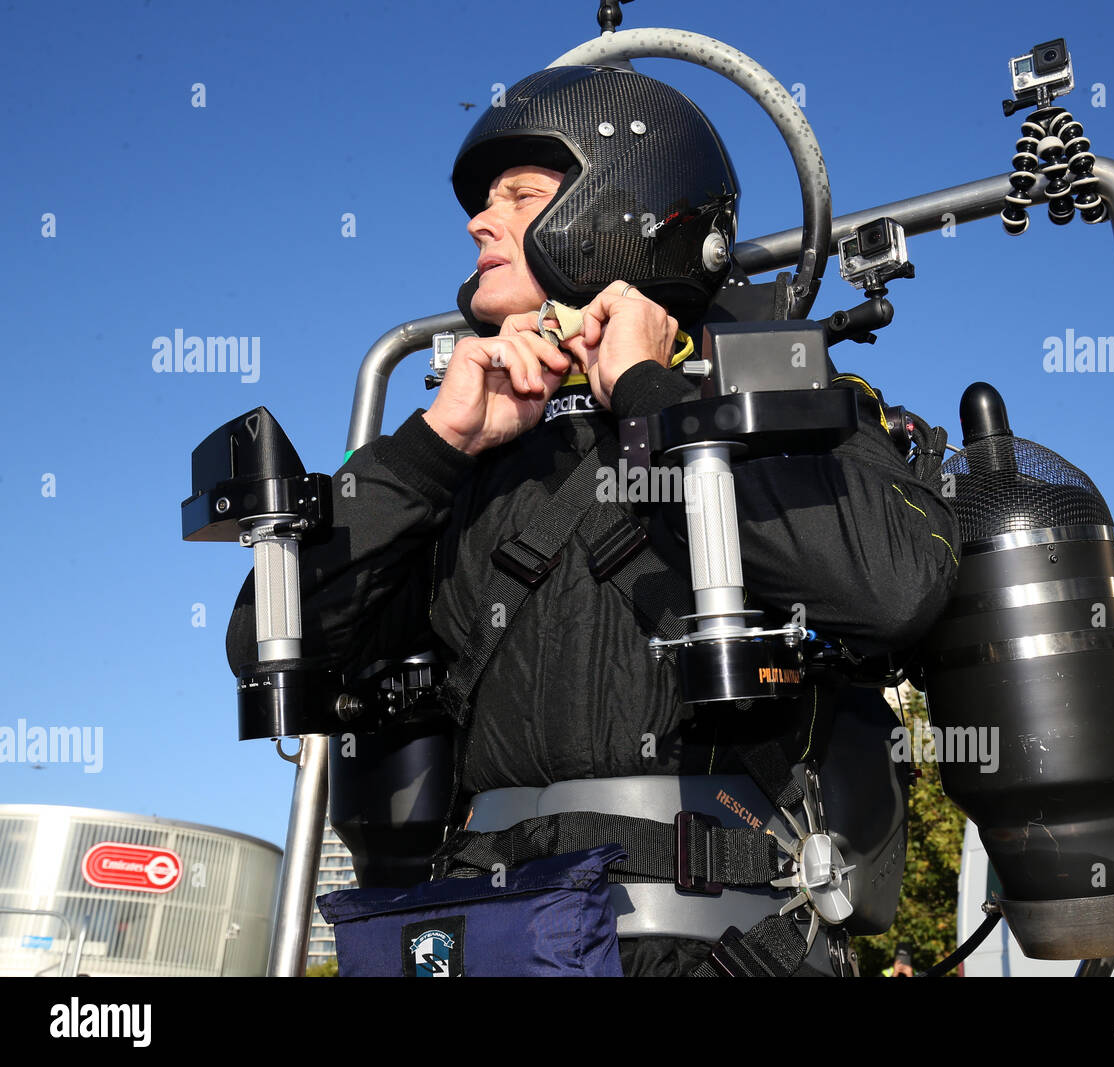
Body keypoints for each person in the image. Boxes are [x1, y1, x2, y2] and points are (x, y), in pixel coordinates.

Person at [226, 64, 960, 977]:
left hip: (724, 946)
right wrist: (433, 446)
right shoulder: (472, 460)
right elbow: (269, 646)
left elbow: (891, 587)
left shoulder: (781, 396)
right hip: (498, 940)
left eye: (521, 196)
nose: (478, 222)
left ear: (620, 207)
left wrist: (652, 398)